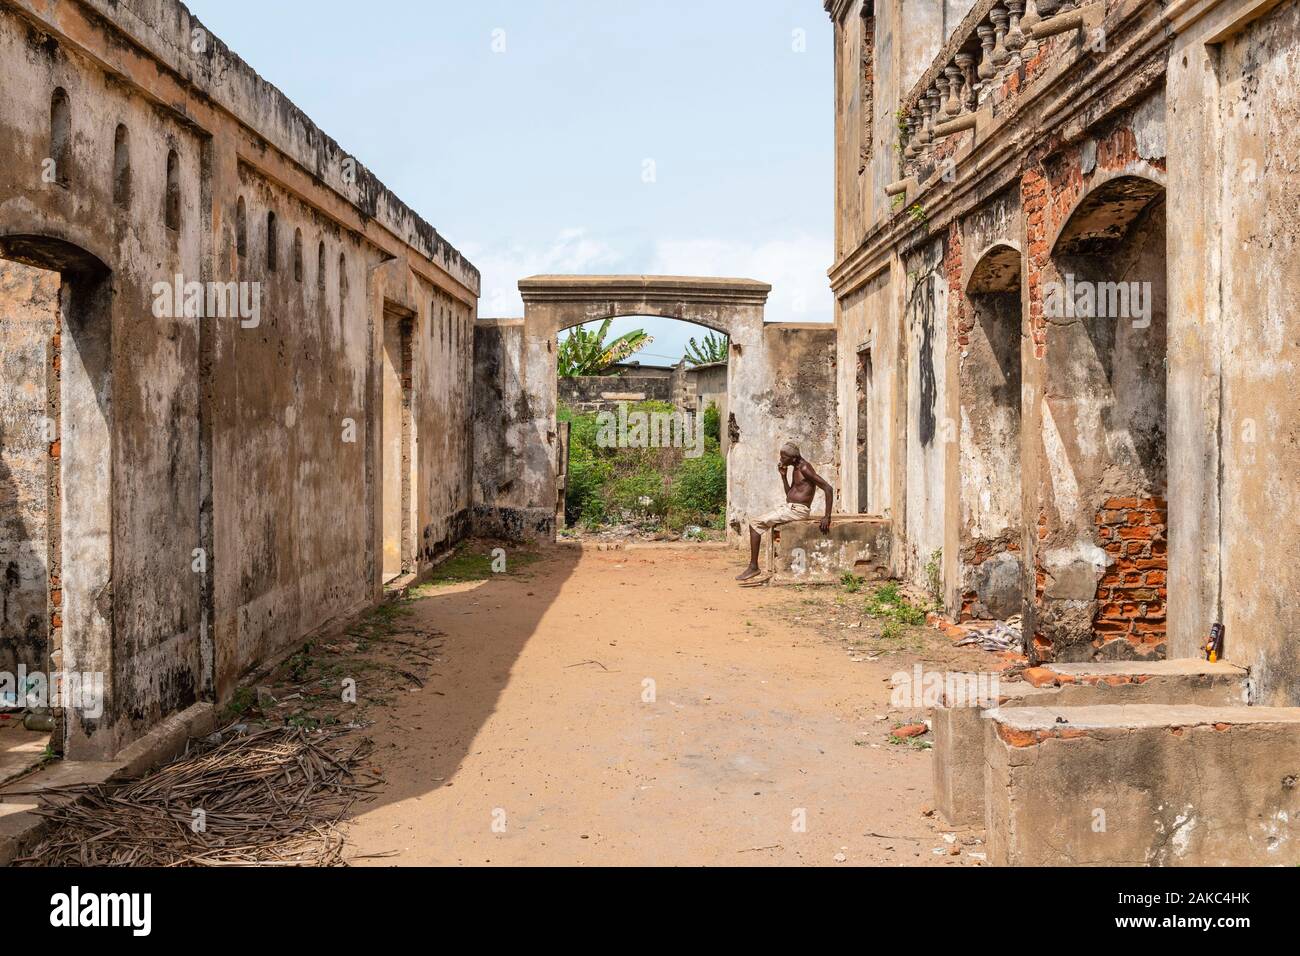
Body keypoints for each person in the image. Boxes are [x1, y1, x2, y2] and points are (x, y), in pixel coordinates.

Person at [736, 442, 833, 582]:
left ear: (793, 458)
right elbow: (790, 495)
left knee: (755, 525)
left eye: (784, 457)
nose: (781, 460)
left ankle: (753, 567)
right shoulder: (796, 468)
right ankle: (753, 566)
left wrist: (827, 516)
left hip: (798, 511)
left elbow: (828, 488)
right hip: (791, 507)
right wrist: (783, 476)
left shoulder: (805, 468)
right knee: (756, 523)